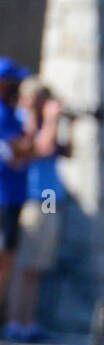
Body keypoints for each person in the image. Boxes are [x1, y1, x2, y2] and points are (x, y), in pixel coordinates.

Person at [4, 76, 71, 342]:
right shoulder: (21, 119)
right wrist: (50, 120)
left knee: (37, 266)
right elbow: (41, 148)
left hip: (50, 198)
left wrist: (67, 124)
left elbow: (65, 151)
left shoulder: (44, 122)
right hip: (34, 197)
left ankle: (28, 322)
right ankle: (14, 323)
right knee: (24, 264)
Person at [0, 58, 33, 317]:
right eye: (14, 82)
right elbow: (22, 151)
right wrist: (36, 124)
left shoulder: (9, 112)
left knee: (6, 258)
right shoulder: (3, 113)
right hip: (3, 198)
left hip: (11, 198)